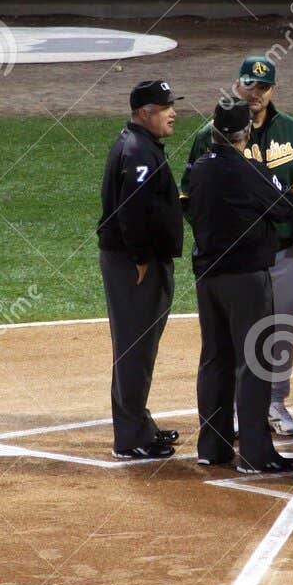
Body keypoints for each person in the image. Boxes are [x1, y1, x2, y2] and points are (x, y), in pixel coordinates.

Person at [180, 56, 293, 438]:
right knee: (232, 336)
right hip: (232, 261)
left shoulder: (291, 130)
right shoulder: (209, 134)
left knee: (280, 328)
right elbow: (188, 195)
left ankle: (275, 403)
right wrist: (213, 233)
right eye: (249, 86)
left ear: (273, 89)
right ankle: (234, 410)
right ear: (237, 84)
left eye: (263, 87)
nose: (255, 94)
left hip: (279, 253)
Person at [183, 101, 293, 474]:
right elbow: (284, 208)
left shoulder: (198, 170)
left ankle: (212, 447)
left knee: (215, 359)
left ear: (214, 132)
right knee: (253, 361)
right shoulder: (251, 170)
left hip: (207, 278)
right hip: (246, 279)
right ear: (246, 133)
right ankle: (254, 454)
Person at [97, 80, 184, 461]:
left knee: (140, 347)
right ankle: (131, 437)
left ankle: (139, 424)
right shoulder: (137, 151)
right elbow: (131, 209)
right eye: (165, 108)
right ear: (145, 113)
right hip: (133, 266)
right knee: (134, 349)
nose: (173, 113)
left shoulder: (141, 144)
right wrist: (141, 257)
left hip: (138, 260)